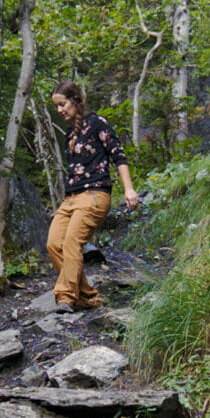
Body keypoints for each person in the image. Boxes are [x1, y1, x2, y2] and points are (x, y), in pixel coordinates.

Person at [45, 81, 140, 311]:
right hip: (71, 199)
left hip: (94, 195)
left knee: (71, 242)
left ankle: (65, 297)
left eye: (62, 104)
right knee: (53, 244)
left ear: (75, 99)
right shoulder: (70, 134)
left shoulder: (97, 123)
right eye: (57, 107)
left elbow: (118, 155)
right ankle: (88, 297)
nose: (60, 110)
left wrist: (128, 189)